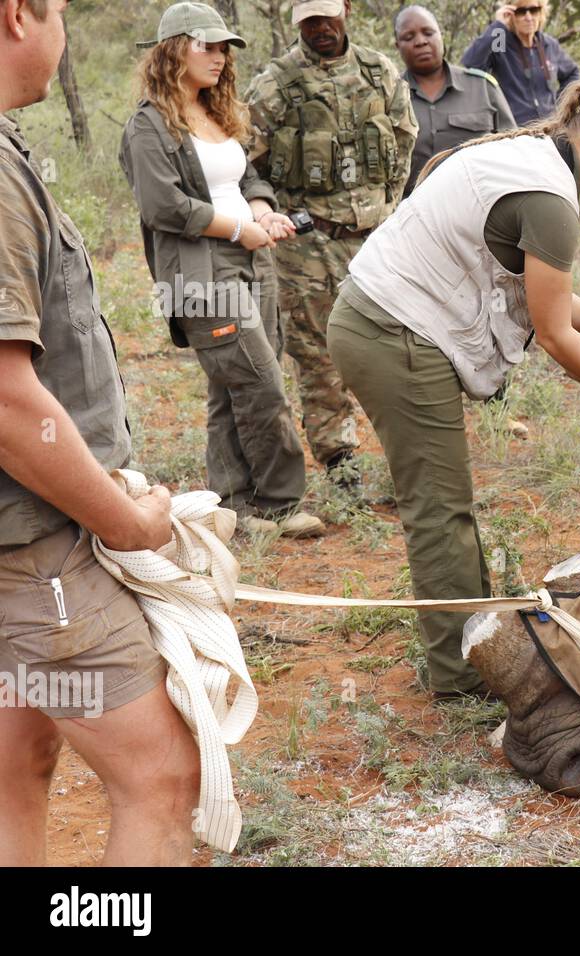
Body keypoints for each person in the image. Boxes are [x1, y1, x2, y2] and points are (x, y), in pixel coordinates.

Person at [326, 83, 580, 697]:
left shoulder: (532, 159)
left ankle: (464, 650)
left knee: (441, 502)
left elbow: (538, 292)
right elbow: (553, 334)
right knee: (441, 509)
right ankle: (463, 677)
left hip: (376, 321)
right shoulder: (550, 199)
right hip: (396, 335)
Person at [0, 0, 200, 866]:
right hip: (37, 552)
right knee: (159, 778)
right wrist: (130, 524)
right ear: (18, 15)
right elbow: (8, 404)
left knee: (16, 763)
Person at [120, 2, 323, 539]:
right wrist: (236, 228)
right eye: (206, 45)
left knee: (230, 386)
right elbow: (162, 206)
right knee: (262, 383)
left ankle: (230, 509)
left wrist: (260, 208)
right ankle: (279, 504)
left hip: (254, 259)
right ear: (173, 50)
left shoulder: (214, 111)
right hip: (200, 271)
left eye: (223, 46)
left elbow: (244, 175)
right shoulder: (148, 126)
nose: (219, 56)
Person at [245, 0, 417, 493]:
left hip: (375, 242)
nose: (321, 28)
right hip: (308, 245)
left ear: (345, 10)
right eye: (309, 21)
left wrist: (387, 206)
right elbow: (244, 155)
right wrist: (269, 210)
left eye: (328, 16)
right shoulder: (277, 83)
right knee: (318, 355)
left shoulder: (378, 71)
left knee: (392, 345)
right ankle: (340, 461)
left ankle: (408, 452)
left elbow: (404, 138)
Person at [394, 4, 515, 199]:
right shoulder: (388, 96)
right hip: (410, 215)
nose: (420, 42)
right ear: (397, 46)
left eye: (428, 33)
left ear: (440, 35)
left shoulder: (483, 88)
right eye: (409, 37)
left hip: (479, 210)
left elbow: (513, 151)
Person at [461, 2, 579, 126]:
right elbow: (471, 63)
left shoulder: (548, 44)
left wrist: (562, 107)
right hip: (514, 131)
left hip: (549, 129)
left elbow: (572, 73)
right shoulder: (501, 43)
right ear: (510, 15)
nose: (528, 17)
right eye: (521, 11)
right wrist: (498, 26)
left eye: (534, 10)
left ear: (541, 13)